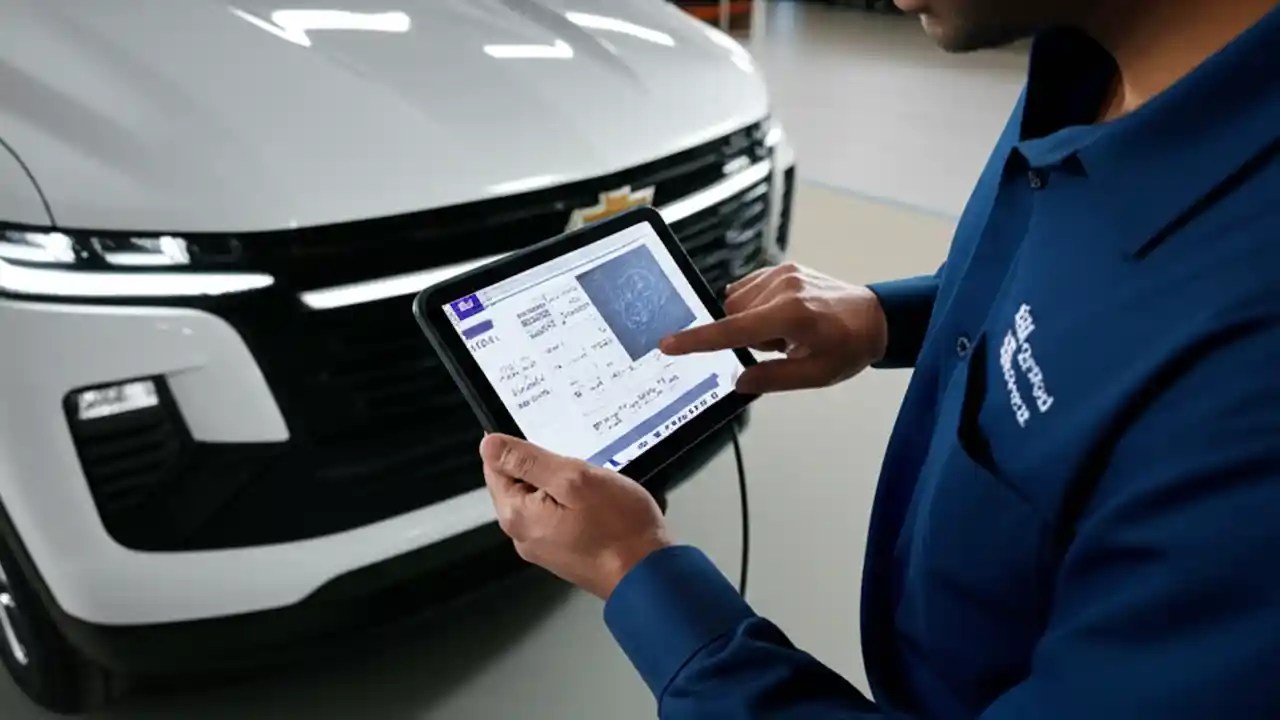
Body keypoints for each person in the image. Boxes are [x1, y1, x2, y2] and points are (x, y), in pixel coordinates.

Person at [477, 0, 1280, 716]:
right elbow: (1077, 312)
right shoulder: (1090, 53)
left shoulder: (1253, 378)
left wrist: (637, 570)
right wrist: (882, 320)